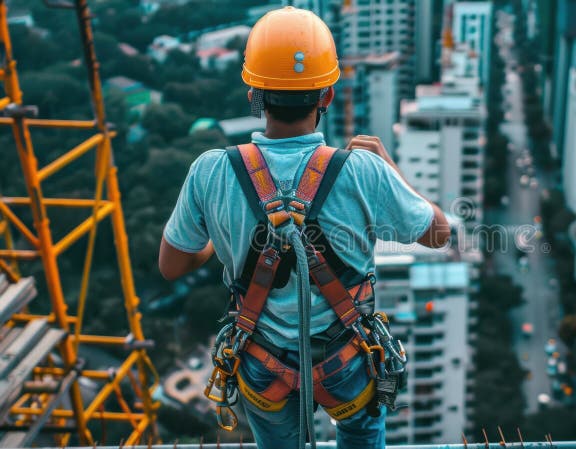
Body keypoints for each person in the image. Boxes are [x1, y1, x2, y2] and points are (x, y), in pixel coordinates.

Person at [158, 6, 450, 449]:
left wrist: (224, 235)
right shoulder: (363, 171)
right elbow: (439, 233)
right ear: (327, 96)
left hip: (262, 363)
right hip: (346, 361)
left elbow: (172, 266)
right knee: (361, 435)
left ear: (253, 94)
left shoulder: (211, 172)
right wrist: (389, 168)